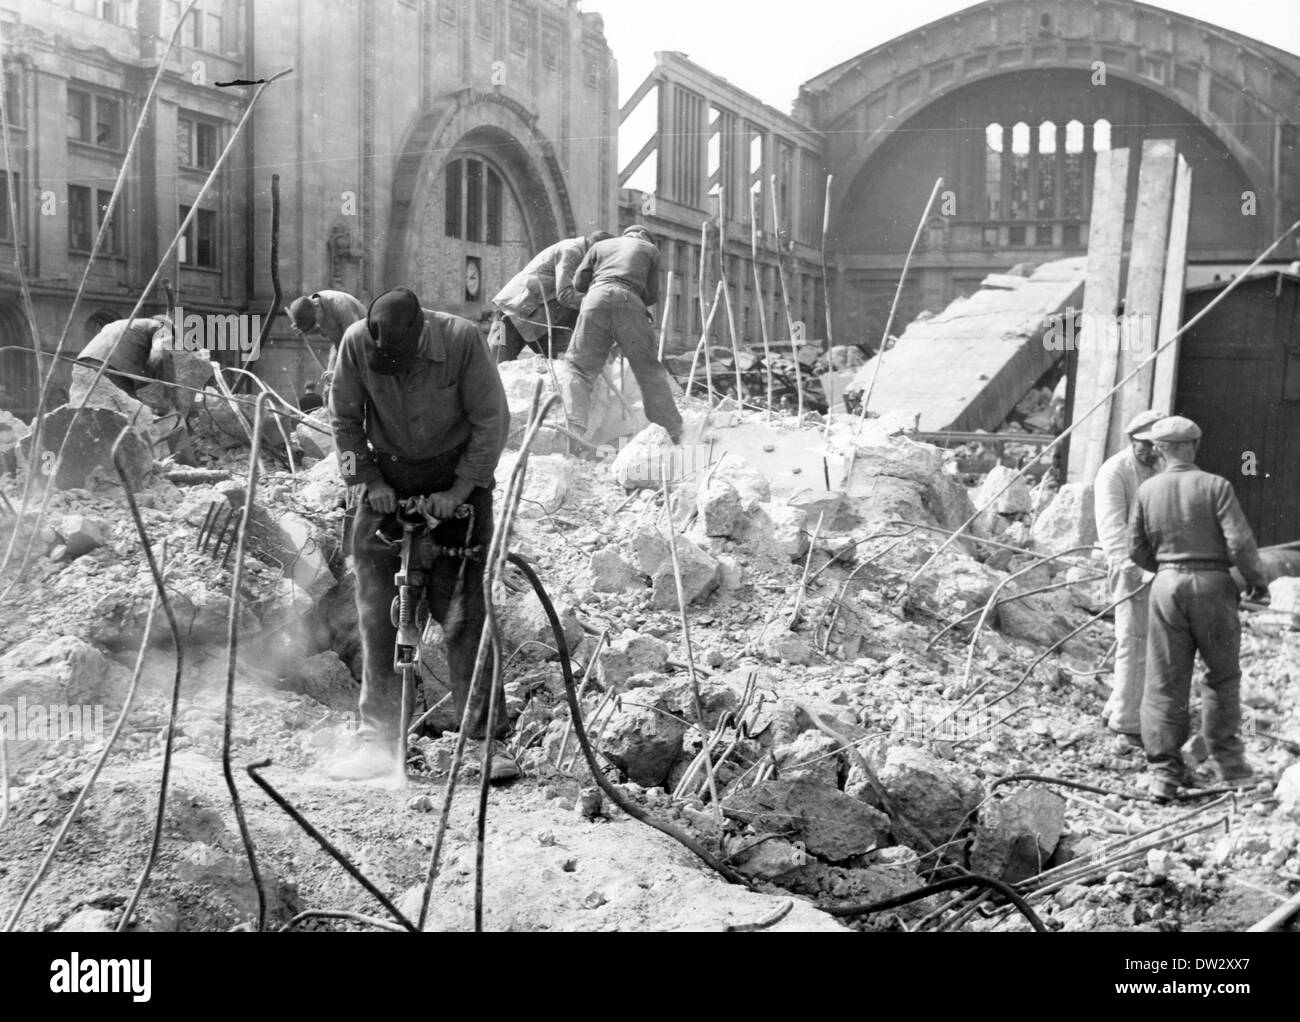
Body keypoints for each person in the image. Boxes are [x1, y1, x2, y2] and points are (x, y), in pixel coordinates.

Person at [328, 286, 514, 783]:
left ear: (420, 335)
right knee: (376, 616)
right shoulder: (353, 343)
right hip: (386, 479)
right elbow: (344, 420)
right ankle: (377, 740)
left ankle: (483, 741)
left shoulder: (461, 340)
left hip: (458, 479)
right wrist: (368, 482)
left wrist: (458, 491)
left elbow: (491, 420)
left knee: (463, 618)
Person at [1128, 415, 1269, 802]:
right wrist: (1256, 581)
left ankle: (1164, 777)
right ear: (1196, 446)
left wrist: (1168, 570)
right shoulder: (1216, 486)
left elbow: (1135, 549)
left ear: (1159, 450)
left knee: (1163, 682)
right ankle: (1233, 770)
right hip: (1212, 587)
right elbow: (1239, 544)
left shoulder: (1147, 490)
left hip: (1166, 587)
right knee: (1222, 677)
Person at [562, 225, 683, 444]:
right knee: (648, 370)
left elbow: (578, 283)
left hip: (594, 299)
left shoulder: (599, 246)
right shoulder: (650, 250)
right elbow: (652, 294)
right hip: (630, 301)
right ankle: (672, 429)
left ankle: (575, 430)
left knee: (578, 367)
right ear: (647, 237)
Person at [1093, 409, 1164, 749]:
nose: (1151, 451)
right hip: (1130, 569)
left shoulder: (1160, 468)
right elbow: (1112, 531)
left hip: (1159, 569)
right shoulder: (1114, 472)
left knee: (1150, 644)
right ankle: (1126, 724)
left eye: (1157, 445)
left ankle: (1120, 708)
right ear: (1131, 441)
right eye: (1145, 445)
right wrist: (1138, 570)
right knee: (1134, 642)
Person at [73, 316, 195, 462]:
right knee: (136, 420)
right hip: (112, 369)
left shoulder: (125, 324)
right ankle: (148, 463)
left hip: (83, 364)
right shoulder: (162, 328)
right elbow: (158, 356)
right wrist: (171, 394)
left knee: (94, 419)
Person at [491, 231, 614, 363]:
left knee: (565, 366)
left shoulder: (588, 260)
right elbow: (565, 294)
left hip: (542, 318)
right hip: (512, 310)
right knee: (496, 365)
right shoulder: (571, 250)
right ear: (596, 248)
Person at [286, 290, 366, 388]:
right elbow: (320, 327)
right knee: (329, 388)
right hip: (339, 347)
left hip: (363, 350)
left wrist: (339, 373)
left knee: (345, 388)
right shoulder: (308, 306)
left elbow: (354, 345)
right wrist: (304, 330)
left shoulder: (341, 306)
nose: (316, 325)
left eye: (315, 323)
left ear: (317, 305)